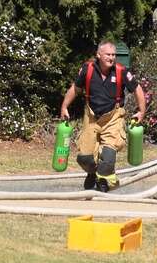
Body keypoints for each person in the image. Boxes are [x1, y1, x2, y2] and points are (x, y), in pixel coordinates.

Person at [59, 41, 145, 192]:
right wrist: (64, 107)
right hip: (91, 117)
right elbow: (75, 89)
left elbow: (137, 89)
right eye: (108, 55)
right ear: (98, 55)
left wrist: (141, 111)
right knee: (84, 158)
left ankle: (103, 184)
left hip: (113, 118)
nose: (111, 58)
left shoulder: (121, 71)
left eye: (113, 55)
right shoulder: (87, 69)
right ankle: (93, 174)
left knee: (108, 158)